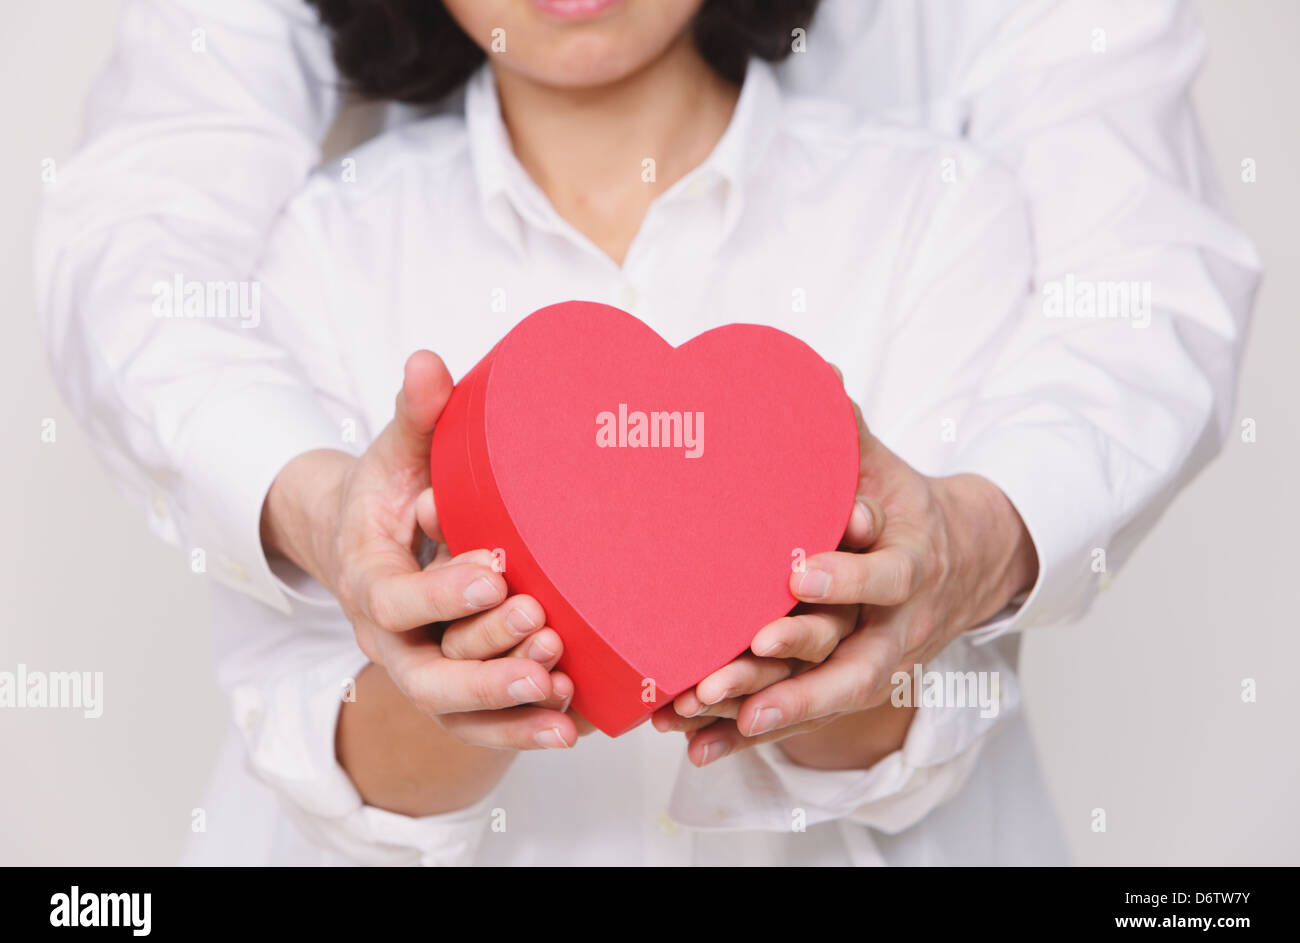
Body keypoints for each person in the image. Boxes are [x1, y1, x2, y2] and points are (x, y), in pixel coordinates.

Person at [34, 0, 1259, 865]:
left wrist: (840, 641)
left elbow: (918, 724)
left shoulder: (934, 217)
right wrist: (459, 674)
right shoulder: (321, 254)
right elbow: (333, 766)